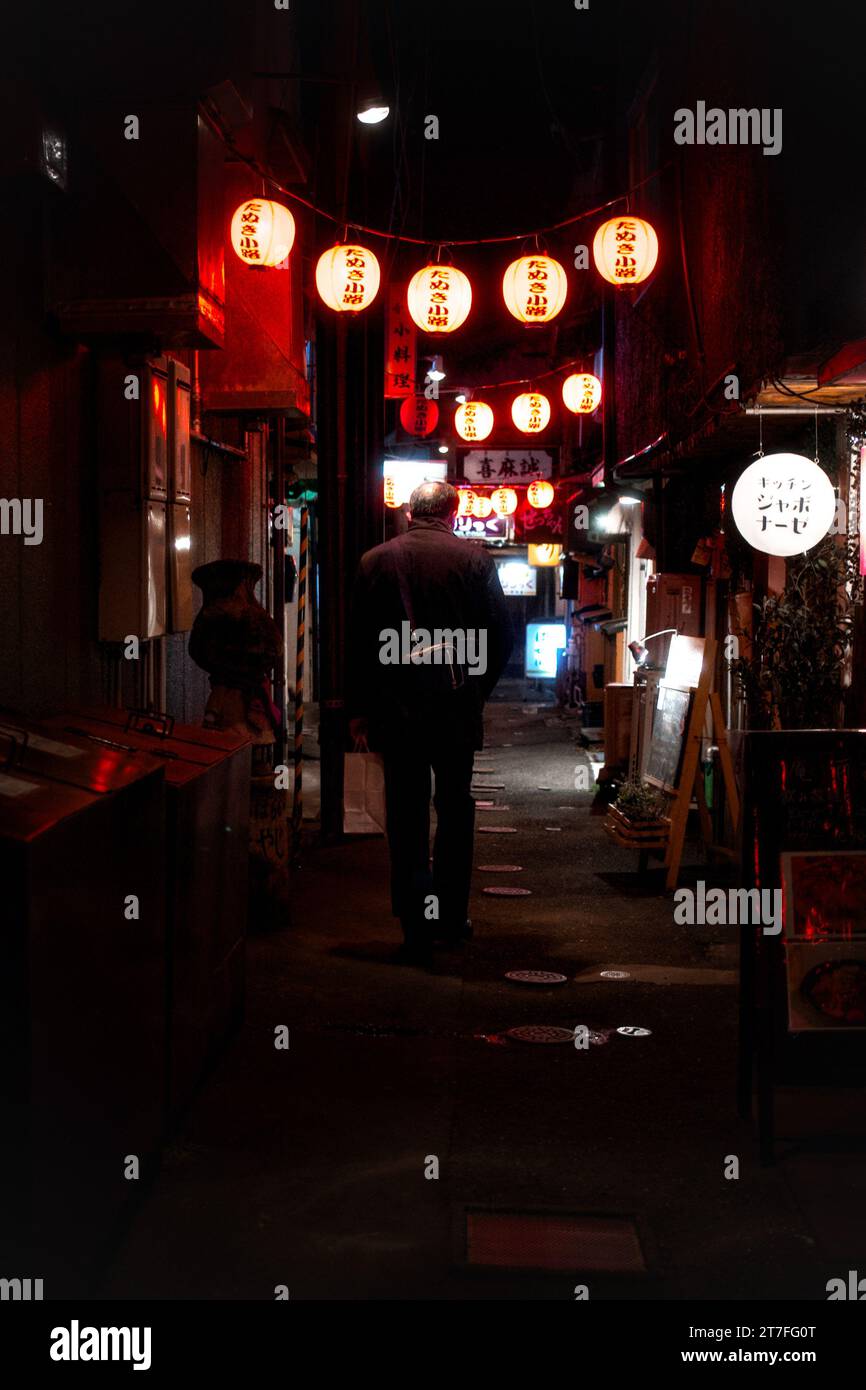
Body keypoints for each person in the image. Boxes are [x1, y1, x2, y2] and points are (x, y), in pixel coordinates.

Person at [347, 481, 513, 966]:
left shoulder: (374, 561)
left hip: (396, 710)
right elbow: (501, 634)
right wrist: (476, 688)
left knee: (406, 812)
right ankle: (451, 917)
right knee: (456, 808)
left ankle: (415, 923)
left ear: (408, 512)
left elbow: (357, 642)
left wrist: (361, 707)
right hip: (455, 708)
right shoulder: (475, 561)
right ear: (453, 512)